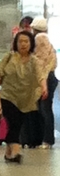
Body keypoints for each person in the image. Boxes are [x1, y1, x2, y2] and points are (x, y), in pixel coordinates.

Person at [0, 29, 47, 164]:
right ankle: (17, 151)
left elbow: (40, 75)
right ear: (15, 43)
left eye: (26, 41)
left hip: (26, 99)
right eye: (20, 41)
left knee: (16, 124)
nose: (23, 44)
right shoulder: (9, 57)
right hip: (7, 95)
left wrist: (44, 87)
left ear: (31, 43)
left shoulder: (34, 61)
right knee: (14, 121)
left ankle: (8, 153)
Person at [30, 16, 57, 148]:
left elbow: (41, 62)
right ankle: (46, 139)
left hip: (45, 78)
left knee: (44, 109)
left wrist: (42, 83)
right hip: (49, 77)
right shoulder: (47, 39)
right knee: (45, 108)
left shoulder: (39, 38)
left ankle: (47, 140)